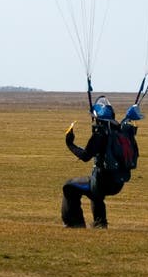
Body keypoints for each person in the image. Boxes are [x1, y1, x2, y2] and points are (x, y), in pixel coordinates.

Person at [61, 97, 142, 229]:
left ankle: (74, 223)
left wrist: (70, 143)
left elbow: (85, 156)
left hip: (102, 182)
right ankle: (100, 223)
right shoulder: (120, 131)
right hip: (118, 182)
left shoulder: (100, 134)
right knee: (95, 193)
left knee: (69, 187)